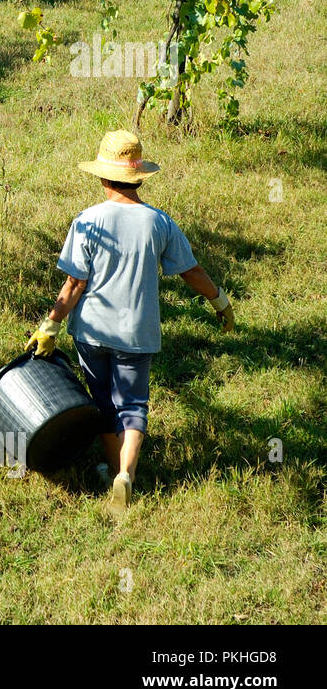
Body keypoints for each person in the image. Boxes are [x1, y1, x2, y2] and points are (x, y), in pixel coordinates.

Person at [26, 130, 235, 516]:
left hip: (91, 332)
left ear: (103, 177)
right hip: (137, 333)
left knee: (104, 403)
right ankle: (126, 474)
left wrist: (50, 325)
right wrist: (220, 302)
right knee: (133, 405)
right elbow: (191, 271)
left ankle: (108, 470)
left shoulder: (87, 221)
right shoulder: (158, 222)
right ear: (138, 178)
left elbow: (75, 284)